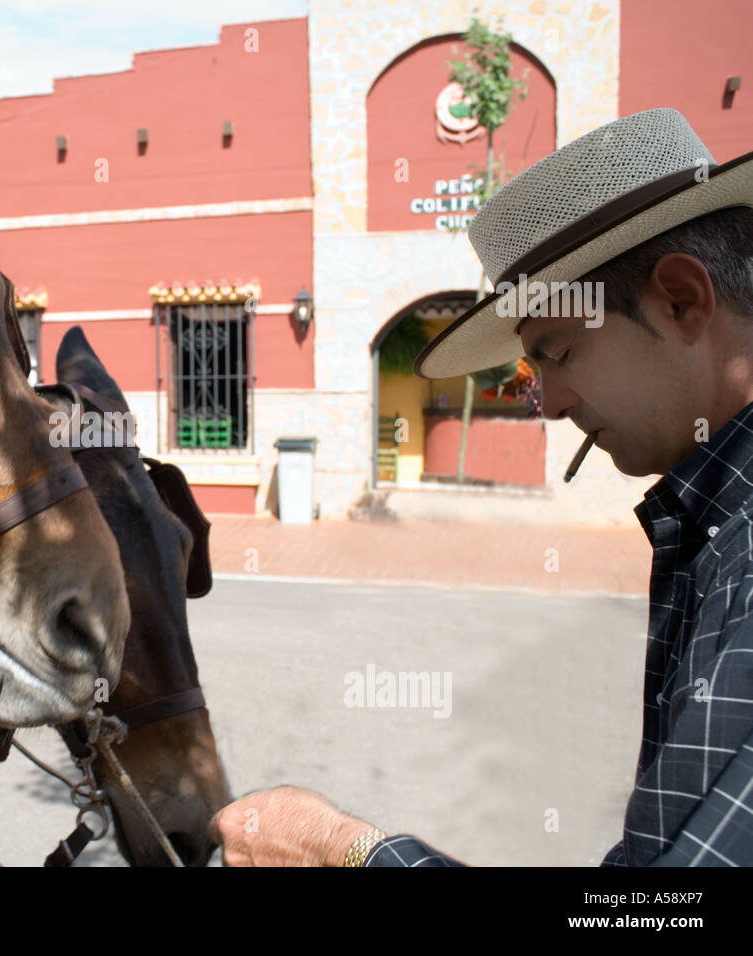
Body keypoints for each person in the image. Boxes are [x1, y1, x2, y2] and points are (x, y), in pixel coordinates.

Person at [209, 109, 753, 866]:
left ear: (682, 300)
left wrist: (344, 851)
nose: (553, 402)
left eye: (559, 352)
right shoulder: (714, 524)